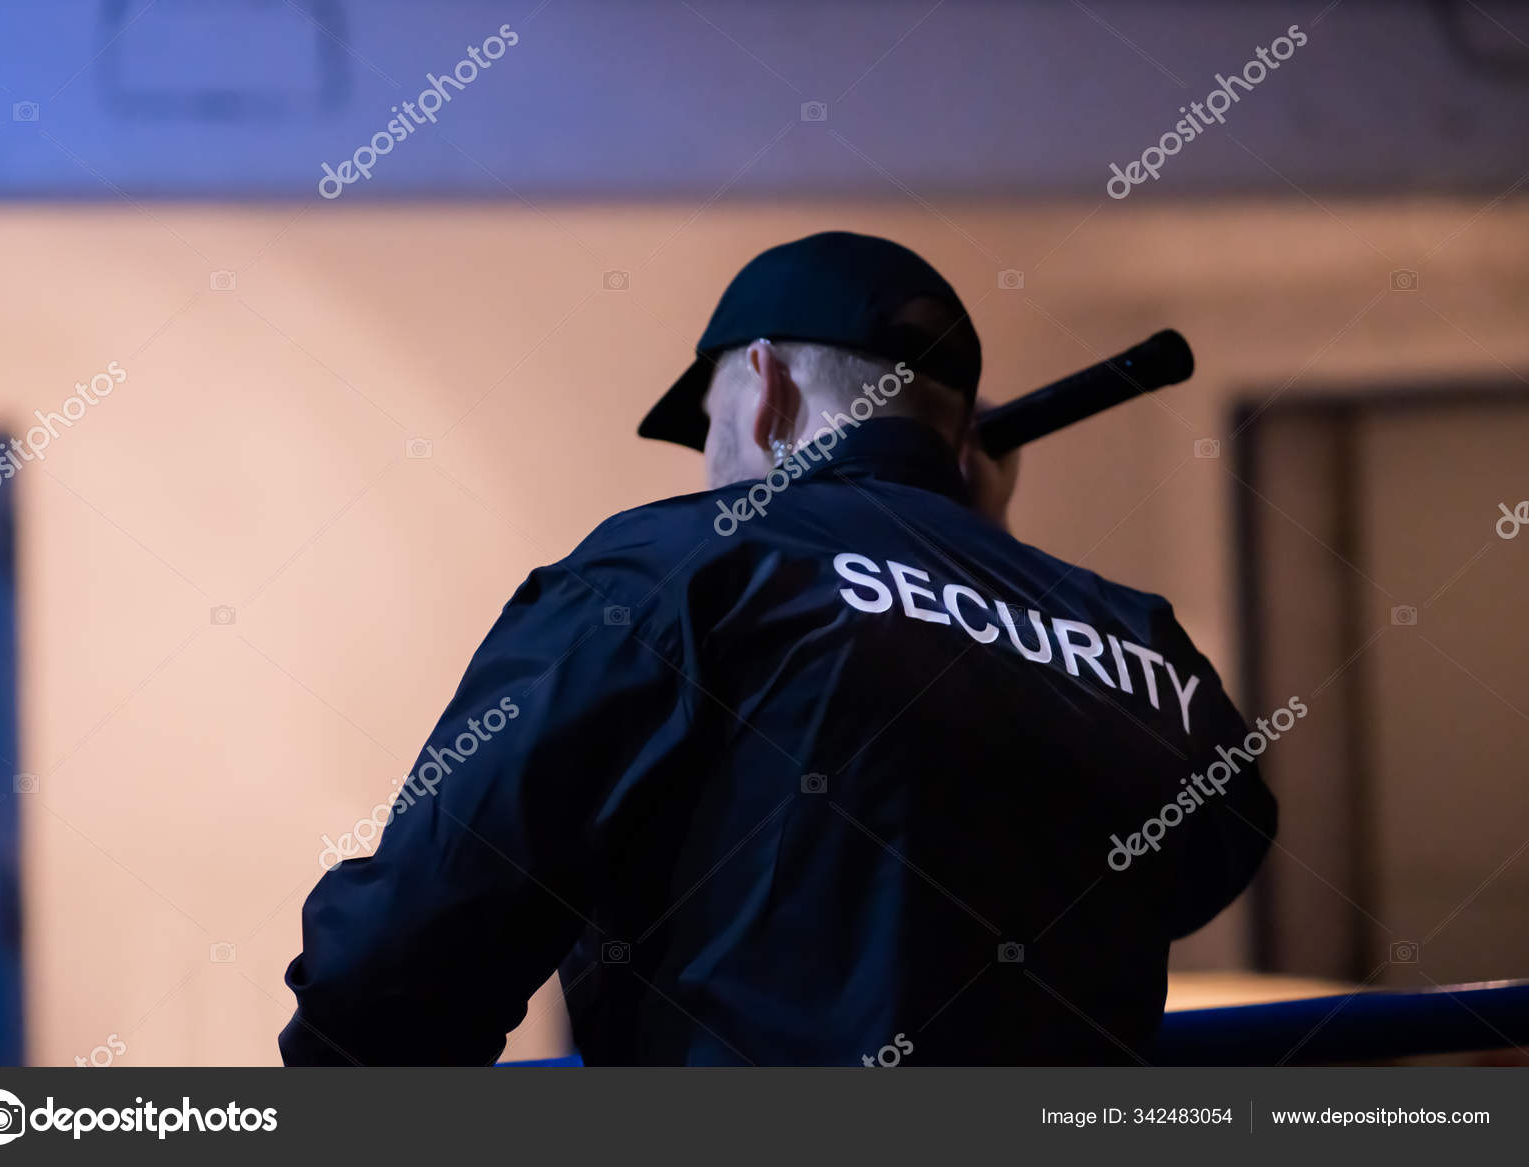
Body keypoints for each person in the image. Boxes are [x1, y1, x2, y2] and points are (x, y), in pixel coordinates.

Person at [279, 231, 1276, 1066]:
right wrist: (981, 554)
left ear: (762, 388)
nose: (713, 460)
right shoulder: (1136, 638)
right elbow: (1195, 873)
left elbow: (411, 941)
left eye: (709, 421)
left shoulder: (674, 569)